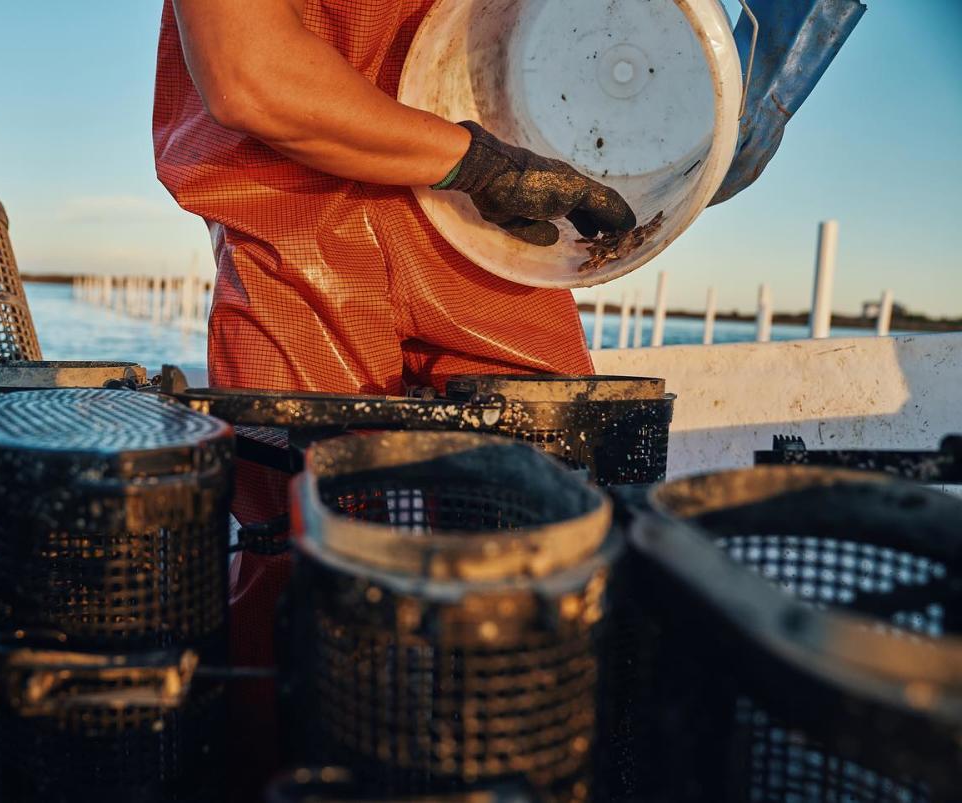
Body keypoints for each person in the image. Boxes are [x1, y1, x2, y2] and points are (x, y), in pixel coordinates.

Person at [152, 0, 635, 792]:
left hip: (496, 234)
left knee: (545, 542)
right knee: (295, 561)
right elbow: (249, 75)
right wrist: (478, 164)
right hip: (299, 216)